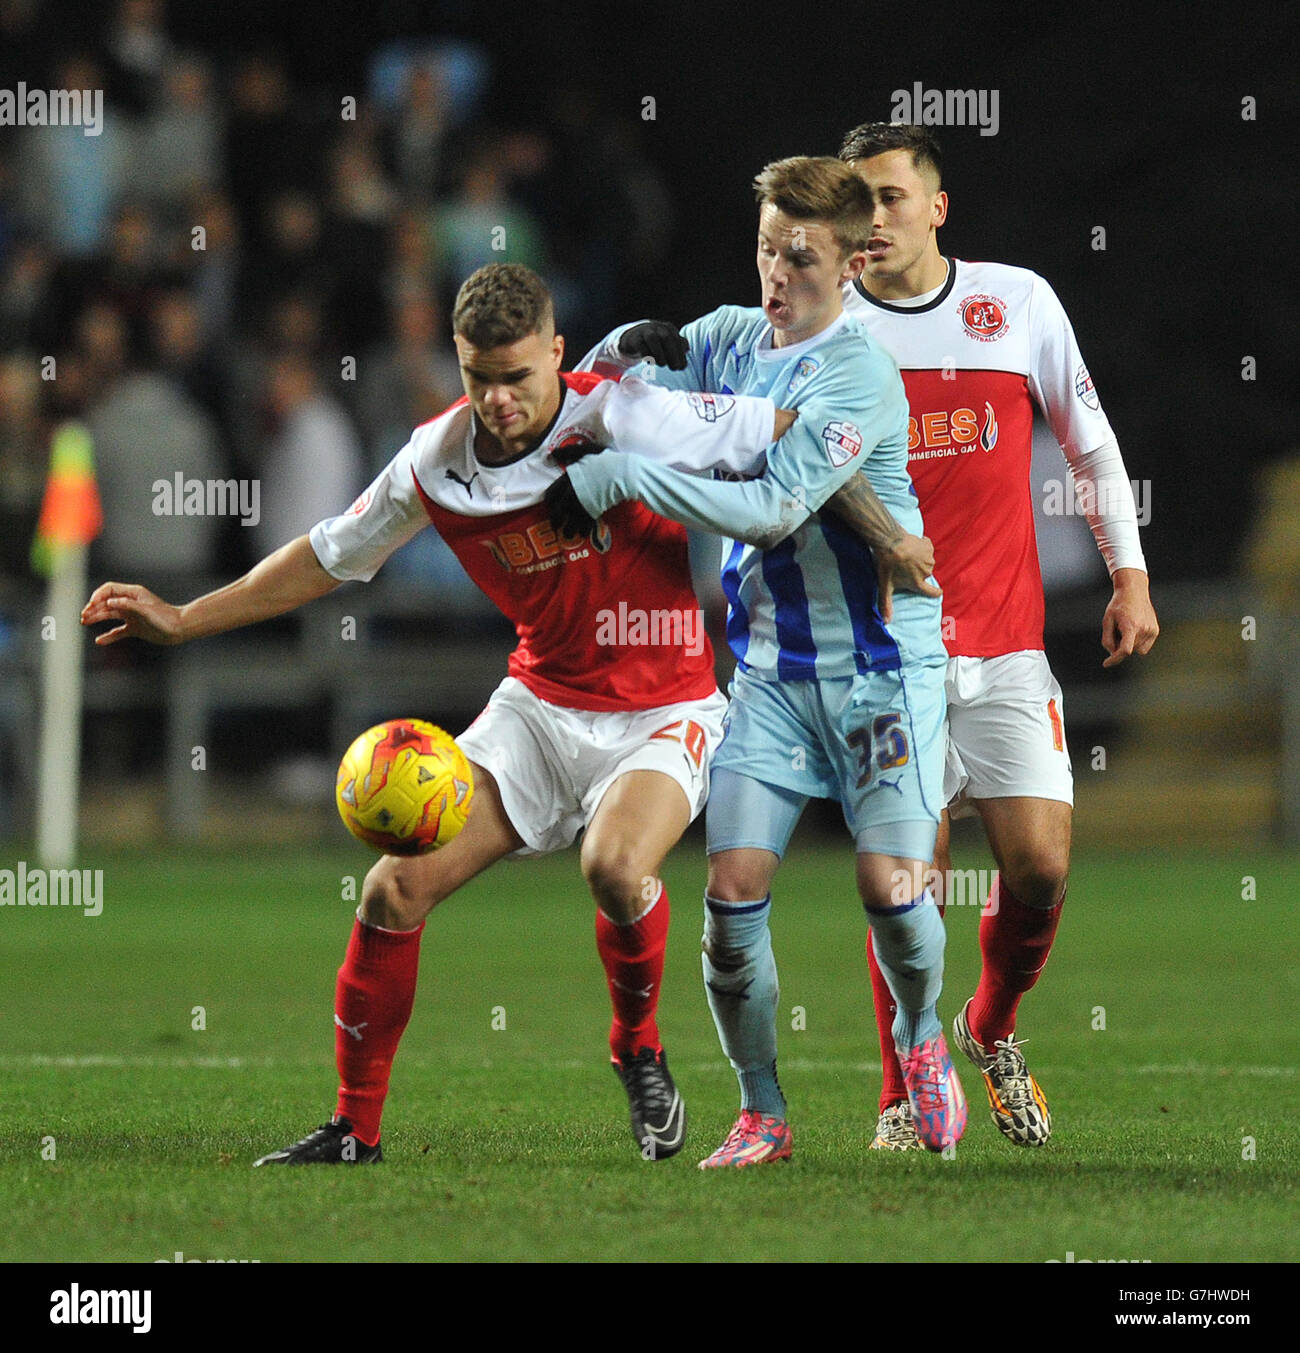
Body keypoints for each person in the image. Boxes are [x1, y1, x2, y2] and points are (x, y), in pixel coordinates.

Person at [81, 262, 797, 1165]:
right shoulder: (436, 460)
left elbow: (787, 434)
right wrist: (185, 619)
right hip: (537, 708)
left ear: (558, 354)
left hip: (664, 706)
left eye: (518, 377)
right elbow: (325, 556)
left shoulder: (622, 414)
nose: (498, 400)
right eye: (479, 377)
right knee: (393, 888)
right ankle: (354, 1129)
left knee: (614, 865)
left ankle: (638, 1047)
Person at [556, 156, 967, 1165]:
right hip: (771, 677)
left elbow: (774, 507)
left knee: (890, 889)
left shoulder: (859, 373)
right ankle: (762, 1112)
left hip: (880, 667)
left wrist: (625, 478)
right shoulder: (735, 339)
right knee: (731, 889)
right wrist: (620, 346)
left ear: (853, 260)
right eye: (763, 250)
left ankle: (922, 1037)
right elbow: (615, 386)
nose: (773, 275)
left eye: (797, 257)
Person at [835, 122, 1159, 1149]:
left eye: (890, 197)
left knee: (1041, 870)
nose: (872, 218)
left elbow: (1088, 436)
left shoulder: (1012, 302)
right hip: (890, 657)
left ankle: (990, 1026)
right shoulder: (827, 330)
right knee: (906, 883)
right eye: (858, 201)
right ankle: (903, 1092)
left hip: (1011, 649)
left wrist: (1129, 573)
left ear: (936, 208)